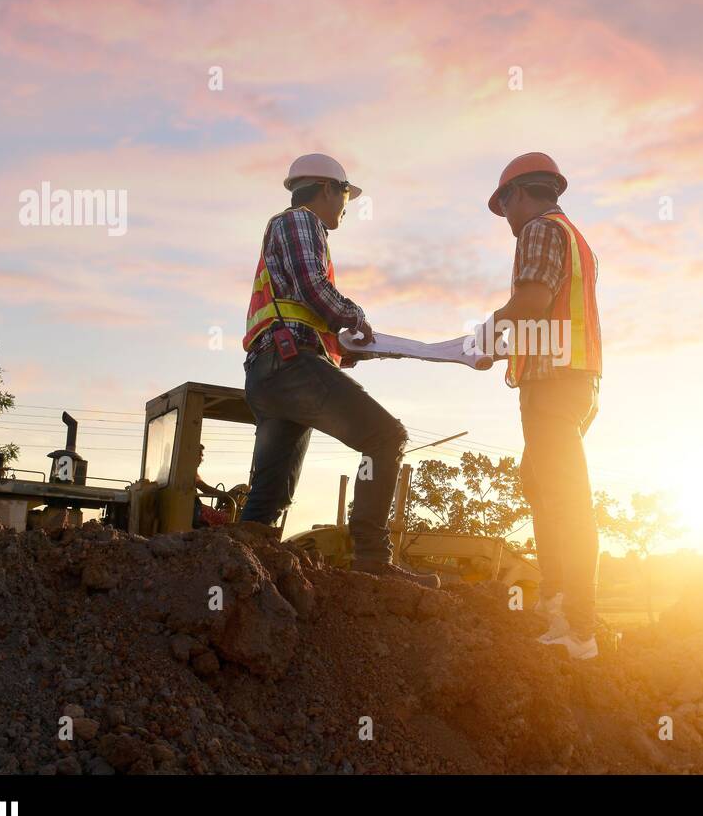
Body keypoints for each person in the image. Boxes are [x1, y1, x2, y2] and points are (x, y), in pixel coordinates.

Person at [238, 153, 438, 588]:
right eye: (345, 194)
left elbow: (302, 311)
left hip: (273, 371)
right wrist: (355, 315)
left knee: (269, 497)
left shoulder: (287, 230)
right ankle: (371, 559)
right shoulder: (301, 221)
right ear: (327, 188)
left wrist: (348, 347)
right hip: (289, 366)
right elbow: (314, 289)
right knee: (386, 437)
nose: (346, 206)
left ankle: (235, 573)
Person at [480, 152, 603, 659]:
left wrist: (487, 334)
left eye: (504, 204)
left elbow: (531, 301)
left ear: (519, 195)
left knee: (565, 497)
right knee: (542, 485)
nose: (506, 218)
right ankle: (556, 604)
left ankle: (578, 628)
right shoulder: (574, 237)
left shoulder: (539, 230)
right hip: (575, 381)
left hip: (554, 384)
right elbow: (546, 312)